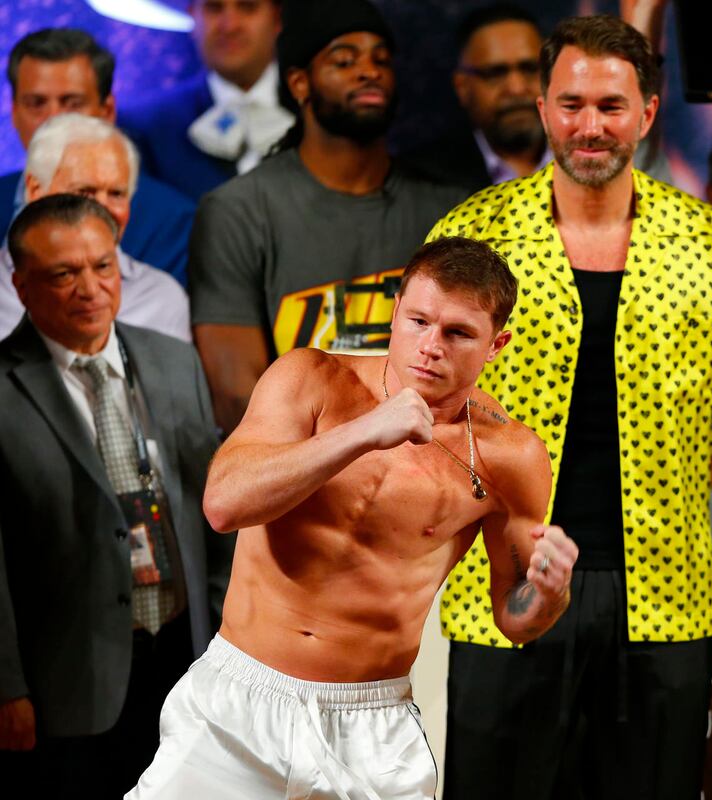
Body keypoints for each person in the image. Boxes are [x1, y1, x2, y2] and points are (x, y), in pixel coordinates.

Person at [427, 14, 712, 800]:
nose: (590, 126)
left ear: (647, 112)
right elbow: (425, 396)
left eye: (611, 106)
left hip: (666, 594)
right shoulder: (471, 233)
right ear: (543, 109)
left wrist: (657, 498)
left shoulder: (710, 243)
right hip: (499, 585)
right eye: (572, 104)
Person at [128, 235, 578, 800]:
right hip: (238, 703)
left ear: (496, 345)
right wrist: (364, 432)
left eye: (458, 333)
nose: (430, 346)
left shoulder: (511, 456)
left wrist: (549, 594)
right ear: (395, 313)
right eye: (418, 321)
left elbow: (516, 618)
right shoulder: (309, 378)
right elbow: (224, 504)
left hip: (373, 726)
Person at [0, 194, 227, 799]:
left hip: (184, 661)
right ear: (22, 286)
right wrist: (6, 686)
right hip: (65, 681)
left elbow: (214, 517)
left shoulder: (175, 361)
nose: (90, 289)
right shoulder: (3, 387)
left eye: (103, 266)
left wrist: (227, 647)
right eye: (63, 274)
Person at [188, 0, 466, 436]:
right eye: (344, 60)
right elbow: (236, 397)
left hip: (428, 458)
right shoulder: (237, 211)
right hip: (302, 466)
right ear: (299, 83)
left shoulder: (447, 209)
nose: (369, 71)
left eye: (381, 60)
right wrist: (350, 455)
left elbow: (473, 367)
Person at [400, 1, 672, 191]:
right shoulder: (424, 180)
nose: (517, 87)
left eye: (530, 68)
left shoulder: (595, 152)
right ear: (462, 87)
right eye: (495, 73)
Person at [2, 28, 196, 286]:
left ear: (107, 111)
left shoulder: (170, 222)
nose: (53, 120)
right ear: (14, 112)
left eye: (72, 103)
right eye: (37, 103)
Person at [0, 114, 190, 342]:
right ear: (35, 190)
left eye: (116, 194)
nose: (101, 208)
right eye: (84, 192)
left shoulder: (161, 299)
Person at [121, 0, 292, 201]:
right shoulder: (146, 127)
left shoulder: (314, 113)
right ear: (193, 15)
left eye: (247, 7)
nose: (230, 26)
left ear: (277, 18)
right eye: (214, 8)